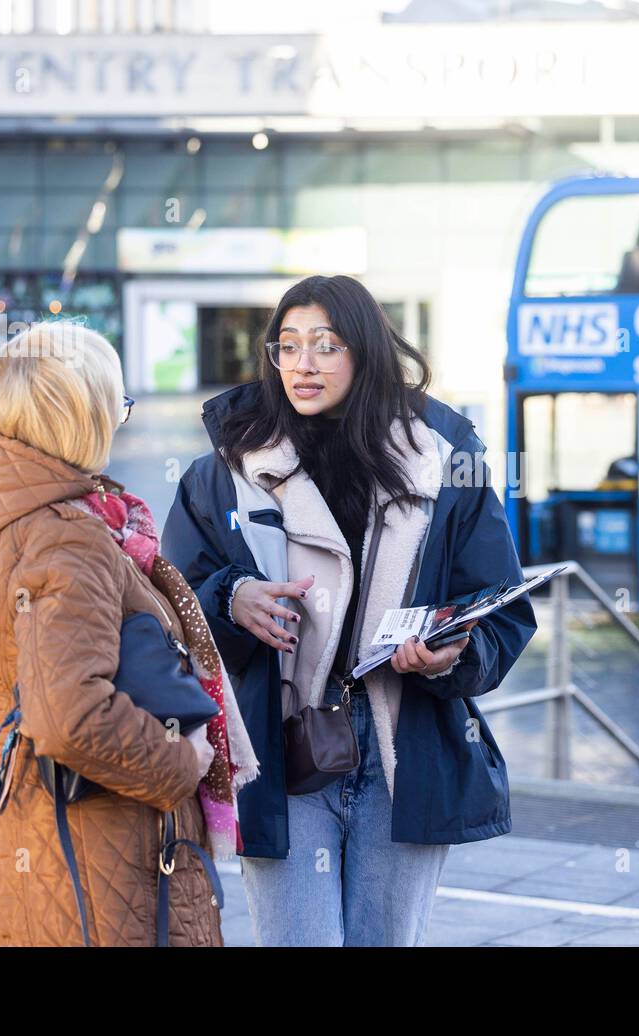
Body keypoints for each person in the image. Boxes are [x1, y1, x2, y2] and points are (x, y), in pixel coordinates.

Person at [162, 274, 537, 947]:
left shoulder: (447, 464)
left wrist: (453, 653)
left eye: (326, 346)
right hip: (280, 746)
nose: (303, 364)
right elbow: (169, 604)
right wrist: (230, 597)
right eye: (289, 345)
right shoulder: (221, 472)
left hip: (406, 746)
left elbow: (503, 612)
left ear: (364, 353)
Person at [0, 322, 257, 946]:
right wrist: (181, 761)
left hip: (28, 837)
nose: (119, 422)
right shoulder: (67, 535)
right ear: (79, 418)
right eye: (117, 407)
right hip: (101, 858)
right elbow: (69, 715)